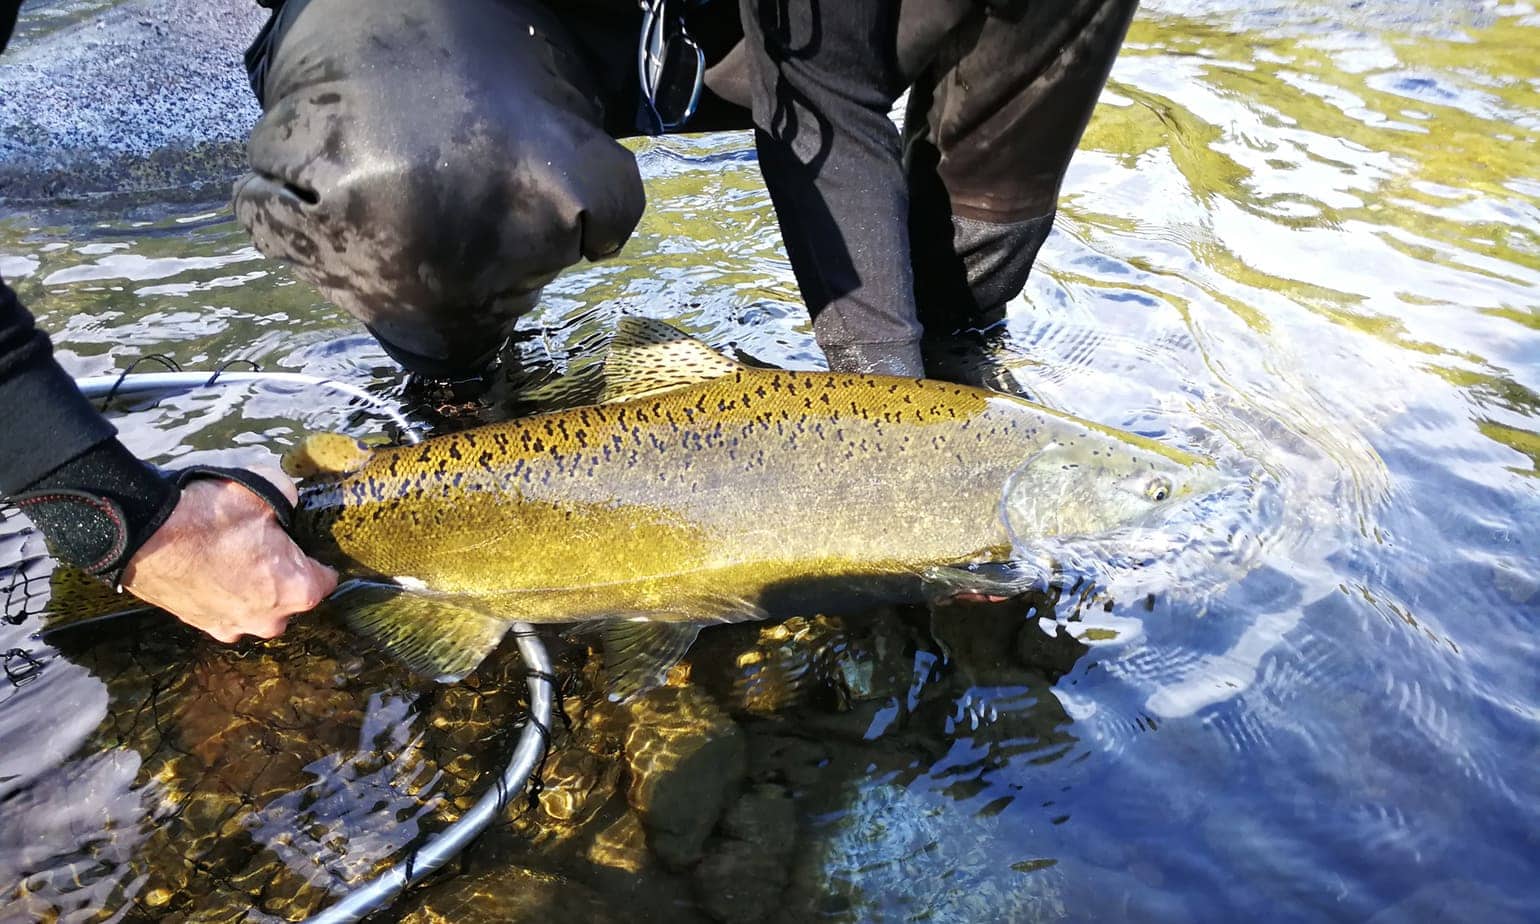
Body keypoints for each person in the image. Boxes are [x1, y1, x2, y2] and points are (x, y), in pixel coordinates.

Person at [0, 0, 1137, 640]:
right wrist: (110, 513)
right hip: (453, 39)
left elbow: (824, 84)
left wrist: (886, 397)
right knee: (413, 167)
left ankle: (960, 359)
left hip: (746, 27)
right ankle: (452, 394)